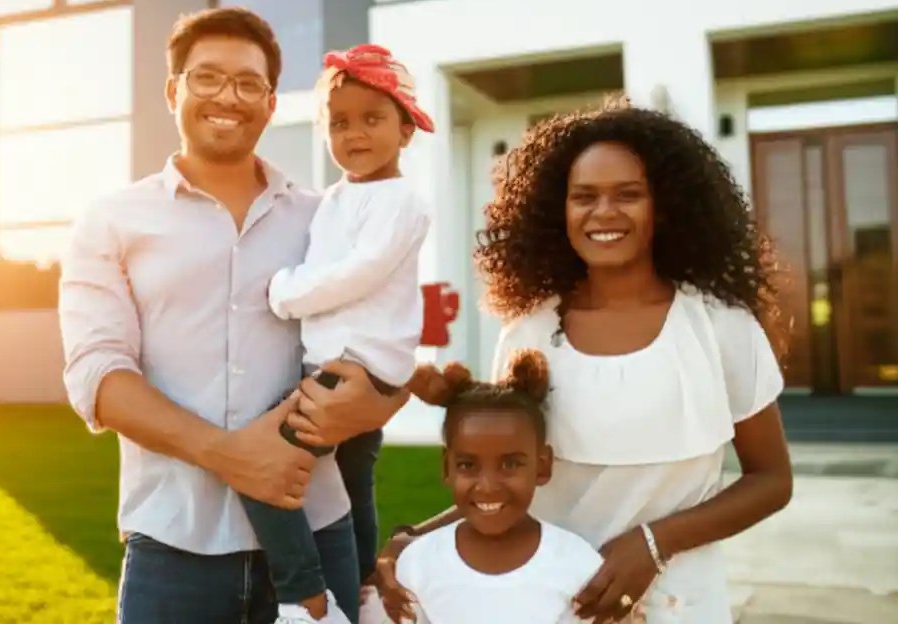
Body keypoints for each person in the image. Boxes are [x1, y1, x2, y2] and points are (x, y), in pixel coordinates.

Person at [375, 101, 794, 624]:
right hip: (552, 605)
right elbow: (503, 475)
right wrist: (412, 540)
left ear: (663, 207)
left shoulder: (720, 325)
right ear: (559, 211)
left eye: (628, 194)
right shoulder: (529, 331)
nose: (604, 212)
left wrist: (654, 544)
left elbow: (771, 479)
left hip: (681, 606)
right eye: (584, 197)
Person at [58, 7, 410, 624]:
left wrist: (377, 404)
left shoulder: (327, 217)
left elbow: (391, 338)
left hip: (317, 535)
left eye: (249, 84)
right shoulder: (110, 220)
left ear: (271, 105)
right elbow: (97, 377)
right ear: (173, 92)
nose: (228, 96)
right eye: (207, 78)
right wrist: (229, 454)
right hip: (173, 547)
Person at [240, 44, 434, 624]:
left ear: (405, 130)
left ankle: (302, 590)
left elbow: (358, 273)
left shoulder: (402, 201)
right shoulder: (335, 199)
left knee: (261, 462)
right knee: (352, 483)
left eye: (372, 119)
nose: (355, 134)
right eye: (339, 122)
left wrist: (284, 291)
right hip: (341, 360)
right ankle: (367, 585)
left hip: (357, 366)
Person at [390, 349, 604, 623]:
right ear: (447, 468)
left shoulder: (579, 566)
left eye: (510, 464)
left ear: (542, 466)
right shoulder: (416, 566)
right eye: (468, 465)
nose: (488, 486)